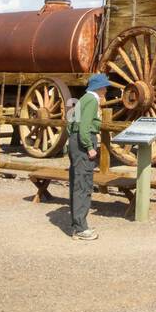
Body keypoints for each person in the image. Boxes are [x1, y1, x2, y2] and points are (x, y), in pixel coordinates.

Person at [67, 73, 109, 241]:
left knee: (77, 183)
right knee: (84, 184)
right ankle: (81, 228)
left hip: (74, 141)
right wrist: (89, 147)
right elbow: (85, 127)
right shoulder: (92, 100)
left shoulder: (82, 99)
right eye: (104, 87)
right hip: (83, 142)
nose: (106, 90)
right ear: (99, 88)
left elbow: (70, 124)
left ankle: (77, 224)